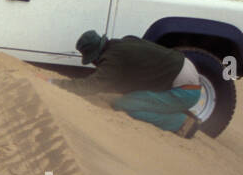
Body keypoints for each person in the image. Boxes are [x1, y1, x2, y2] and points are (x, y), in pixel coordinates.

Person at [53, 31, 203, 138]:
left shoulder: (113, 58)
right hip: (188, 79)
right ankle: (174, 110)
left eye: (92, 60)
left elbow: (92, 85)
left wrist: (55, 84)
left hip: (185, 92)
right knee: (132, 98)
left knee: (124, 105)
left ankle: (181, 123)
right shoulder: (123, 43)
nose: (94, 64)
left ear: (96, 54)